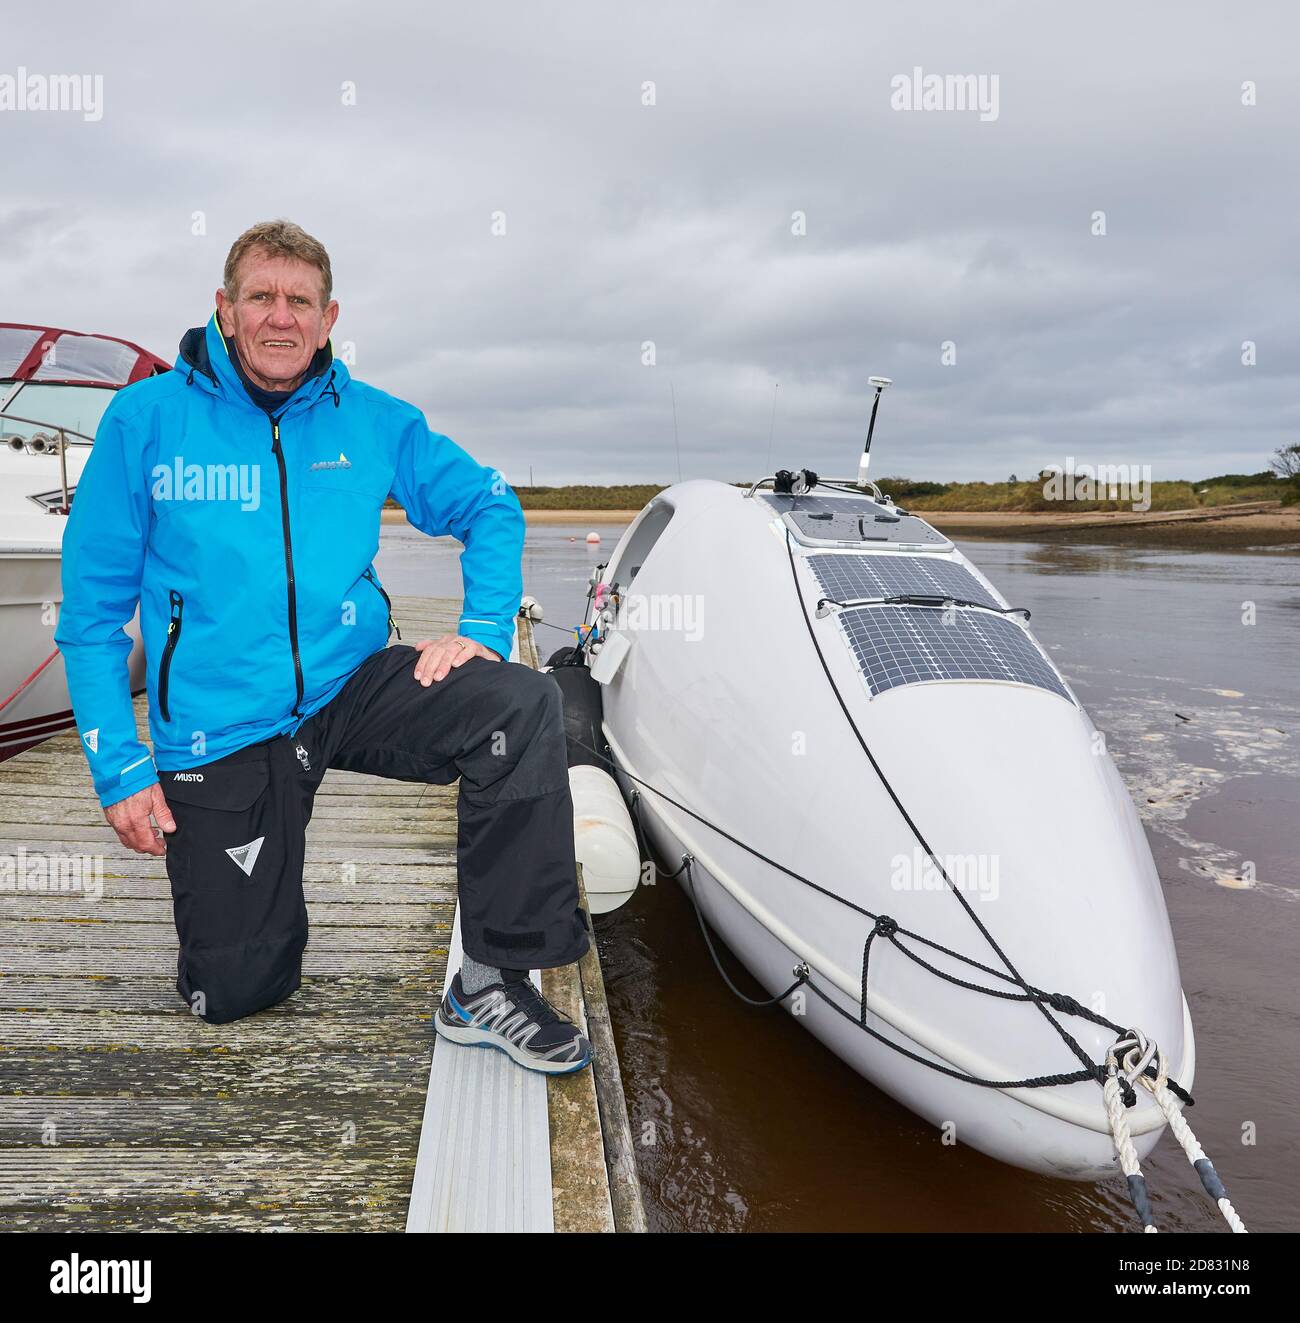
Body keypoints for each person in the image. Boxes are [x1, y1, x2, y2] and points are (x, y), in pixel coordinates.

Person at [54, 219, 591, 1073]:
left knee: (519, 706)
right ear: (224, 310)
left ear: (328, 315)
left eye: (299, 300)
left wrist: (485, 629)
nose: (280, 317)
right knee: (235, 990)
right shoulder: (146, 421)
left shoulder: (372, 419)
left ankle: (488, 982)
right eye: (260, 296)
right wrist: (120, 767)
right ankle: (251, 923)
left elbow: (489, 503)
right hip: (222, 722)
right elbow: (88, 614)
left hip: (348, 684)